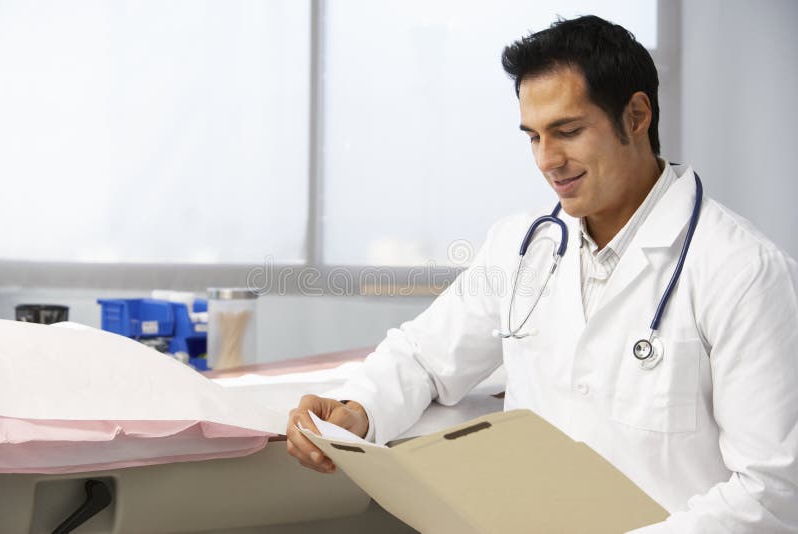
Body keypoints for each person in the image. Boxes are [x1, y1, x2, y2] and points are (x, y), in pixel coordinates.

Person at [285, 15, 798, 532]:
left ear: (636, 116)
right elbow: (424, 356)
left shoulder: (744, 271)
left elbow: (772, 492)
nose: (548, 160)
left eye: (568, 131)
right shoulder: (521, 247)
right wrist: (358, 410)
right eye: (533, 136)